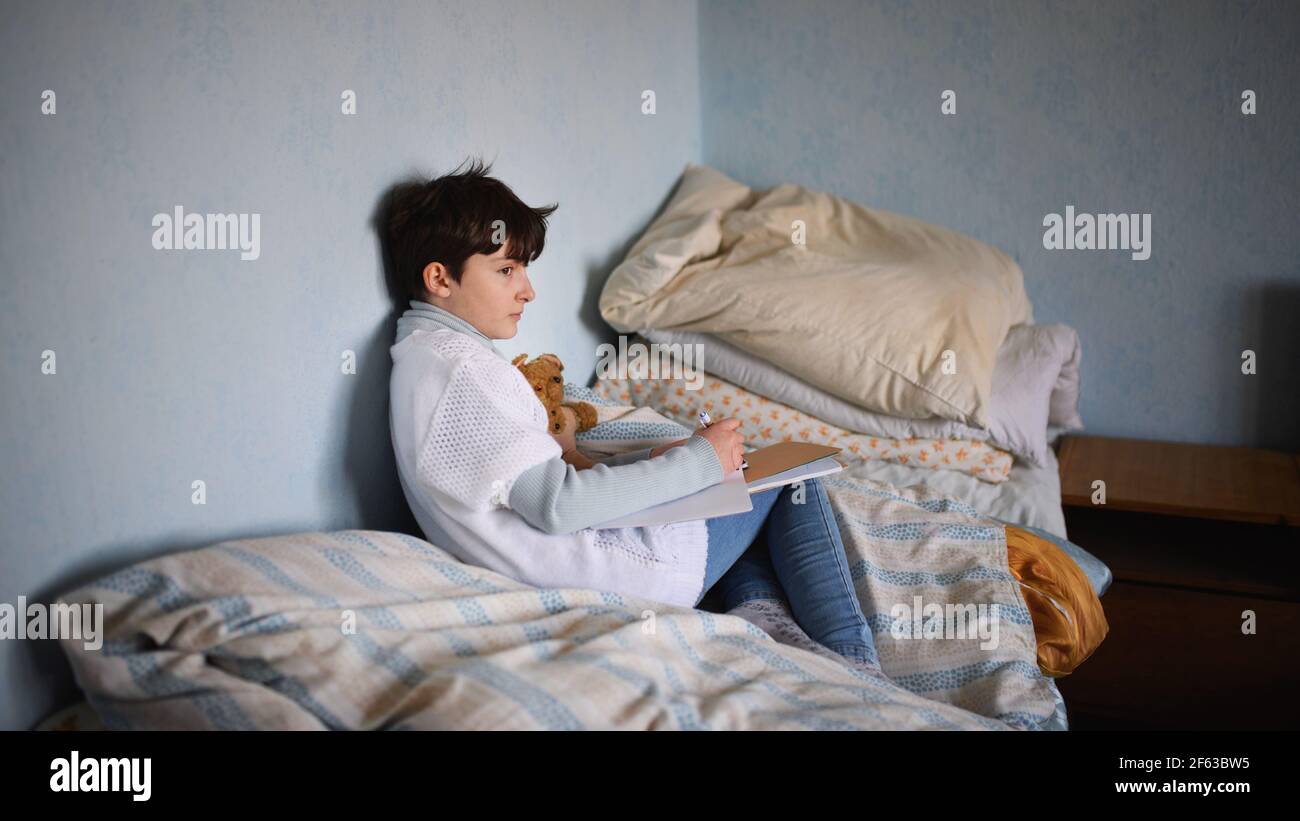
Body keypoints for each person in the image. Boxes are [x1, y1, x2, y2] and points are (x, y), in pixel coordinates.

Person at [382, 158, 878, 671]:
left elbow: (541, 481)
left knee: (733, 490)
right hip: (621, 578)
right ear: (439, 278)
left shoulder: (424, 361)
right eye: (507, 269)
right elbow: (558, 505)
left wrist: (656, 459)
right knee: (791, 478)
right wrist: (698, 465)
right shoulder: (466, 372)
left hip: (569, 572)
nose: (527, 289)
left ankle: (761, 617)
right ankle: (857, 662)